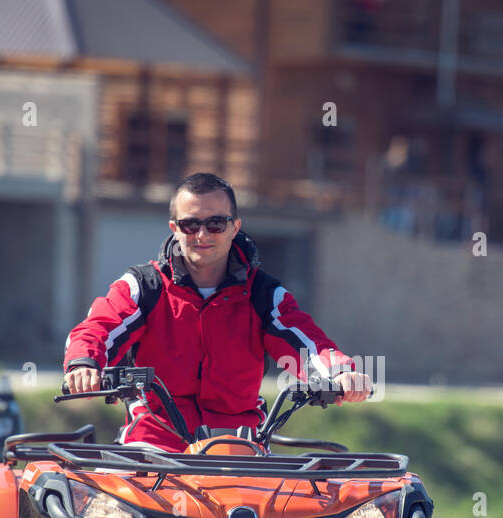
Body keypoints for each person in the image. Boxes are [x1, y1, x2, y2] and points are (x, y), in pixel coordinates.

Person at [63, 173, 373, 449]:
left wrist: (341, 374)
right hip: (154, 444)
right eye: (190, 224)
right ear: (175, 228)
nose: (202, 235)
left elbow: (308, 343)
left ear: (234, 227)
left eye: (215, 223)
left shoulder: (264, 295)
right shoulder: (144, 287)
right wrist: (83, 364)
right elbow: (97, 329)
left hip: (240, 445)